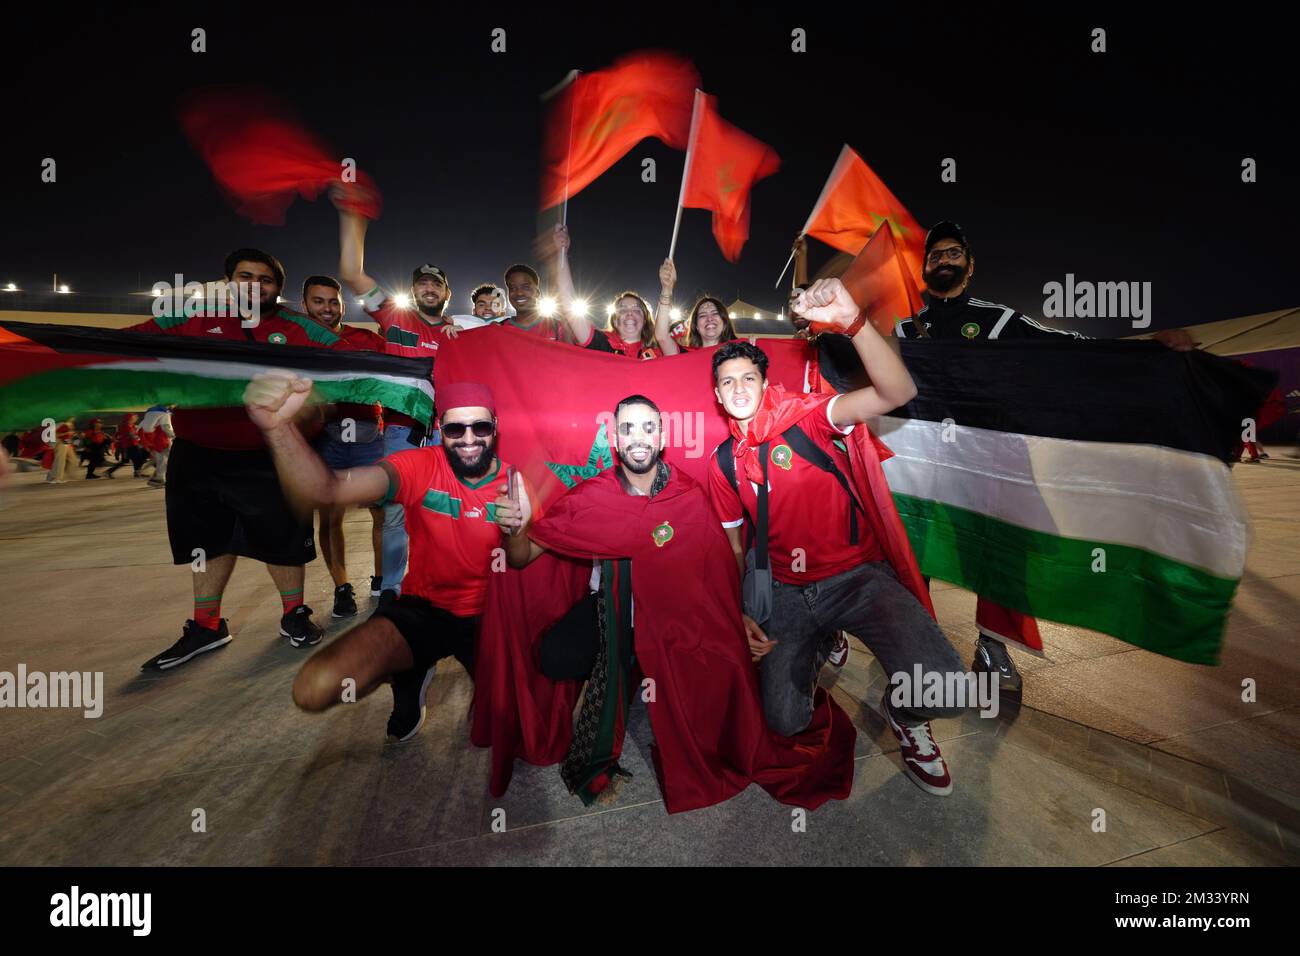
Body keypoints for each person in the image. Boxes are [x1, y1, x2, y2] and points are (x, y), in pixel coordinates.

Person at [485, 394, 854, 812]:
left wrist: (735, 617)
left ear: (661, 437)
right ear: (614, 438)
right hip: (609, 612)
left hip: (672, 616)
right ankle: (629, 669)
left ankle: (646, 671)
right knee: (554, 657)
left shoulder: (687, 496)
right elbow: (520, 557)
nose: (638, 438)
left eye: (647, 428)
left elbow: (712, 574)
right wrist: (515, 528)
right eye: (627, 429)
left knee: (711, 674)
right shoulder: (592, 496)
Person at [895, 220, 1198, 691]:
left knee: (1000, 554)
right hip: (923, 462)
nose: (943, 262)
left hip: (988, 460)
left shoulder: (998, 321)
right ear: (923, 269)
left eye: (953, 254)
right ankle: (912, 641)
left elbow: (1068, 350)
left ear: (969, 268)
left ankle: (991, 648)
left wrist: (1146, 347)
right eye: (935, 256)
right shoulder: (900, 329)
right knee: (913, 551)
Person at [707, 278, 977, 797]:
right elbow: (735, 549)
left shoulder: (807, 418)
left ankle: (906, 715)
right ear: (717, 396)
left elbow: (898, 393)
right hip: (785, 590)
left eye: (747, 377)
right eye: (726, 382)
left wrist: (854, 322)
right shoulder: (723, 462)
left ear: (765, 384)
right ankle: (817, 641)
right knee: (784, 721)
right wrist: (737, 610)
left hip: (858, 578)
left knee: (948, 690)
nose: (738, 388)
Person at [244, 375, 518, 742]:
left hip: (490, 615)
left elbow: (529, 561)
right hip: (425, 608)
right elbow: (325, 489)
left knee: (504, 729)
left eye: (480, 426)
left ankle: (427, 667)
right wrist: (277, 427)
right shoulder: (419, 465)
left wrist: (520, 529)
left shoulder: (515, 482)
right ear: (440, 429)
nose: (469, 439)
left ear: (495, 428)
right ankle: (410, 668)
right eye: (455, 428)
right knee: (316, 687)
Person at [129, 247, 333, 671]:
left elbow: (353, 364)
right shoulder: (191, 319)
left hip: (272, 454)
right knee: (207, 543)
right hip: (199, 454)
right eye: (245, 276)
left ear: (278, 288)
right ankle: (207, 626)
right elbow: (126, 344)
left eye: (266, 279)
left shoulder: (301, 327)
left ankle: (293, 613)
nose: (255, 286)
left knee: (284, 540)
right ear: (228, 281)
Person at [299, 275, 388, 618]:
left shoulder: (362, 338)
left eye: (333, 301)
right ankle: (342, 587)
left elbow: (401, 361)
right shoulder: (295, 340)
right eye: (318, 301)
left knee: (381, 513)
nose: (326, 308)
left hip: (368, 435)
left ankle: (381, 583)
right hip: (325, 438)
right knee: (331, 517)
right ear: (304, 305)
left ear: (342, 305)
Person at [654, 260, 738, 354]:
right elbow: (662, 337)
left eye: (715, 313)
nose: (709, 318)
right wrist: (667, 288)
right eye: (702, 315)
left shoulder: (742, 352)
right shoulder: (685, 355)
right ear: (696, 326)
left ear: (725, 322)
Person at [139, 405, 174, 488]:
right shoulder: (165, 414)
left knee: (162, 461)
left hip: (158, 442)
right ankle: (158, 479)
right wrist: (175, 436)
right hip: (163, 442)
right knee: (169, 460)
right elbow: (166, 428)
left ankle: (156, 479)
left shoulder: (152, 419)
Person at [106, 413, 147, 478]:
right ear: (130, 419)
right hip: (130, 445)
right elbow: (132, 435)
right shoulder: (126, 426)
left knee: (128, 460)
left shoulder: (130, 425)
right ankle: (137, 473)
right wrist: (139, 438)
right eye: (134, 418)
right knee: (138, 459)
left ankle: (109, 471)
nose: (136, 419)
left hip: (131, 445)